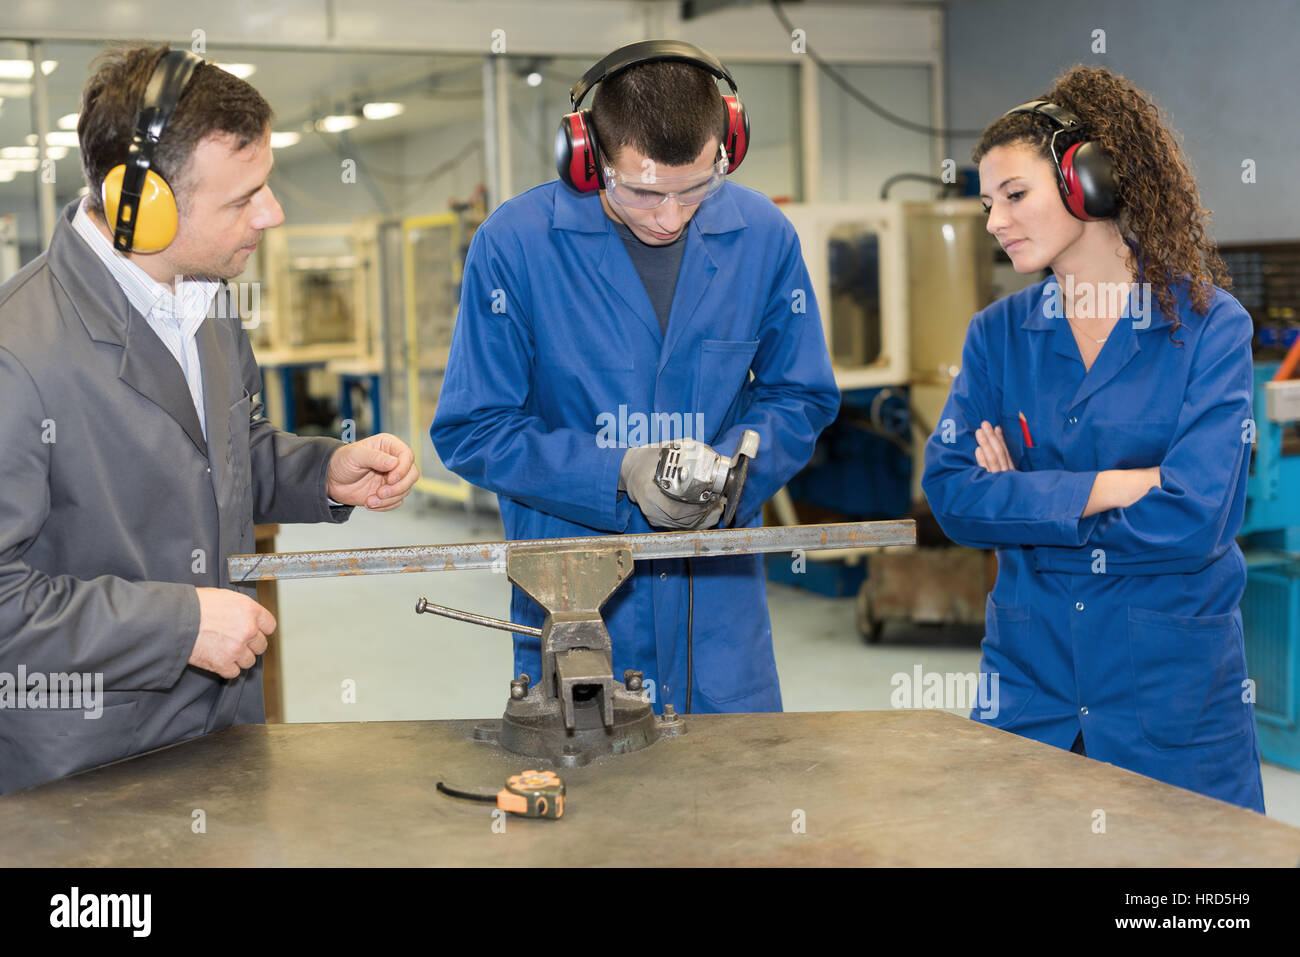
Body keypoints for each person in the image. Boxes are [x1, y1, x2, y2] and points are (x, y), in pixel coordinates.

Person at [0, 45, 419, 794]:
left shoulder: (204, 301)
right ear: (142, 204)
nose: (273, 212)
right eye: (243, 197)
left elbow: (221, 460)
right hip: (89, 774)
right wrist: (178, 625)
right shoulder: (19, 354)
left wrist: (319, 472)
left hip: (222, 734)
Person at [431, 41, 839, 714]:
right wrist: (619, 472)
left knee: (735, 799)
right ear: (589, 156)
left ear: (725, 146)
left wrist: (733, 473)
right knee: (593, 801)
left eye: (697, 188)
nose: (671, 216)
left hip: (719, 608)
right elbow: (474, 428)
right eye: (644, 191)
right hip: (580, 598)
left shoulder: (763, 237)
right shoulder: (515, 246)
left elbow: (800, 394)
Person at [922, 65, 1263, 811]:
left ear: (1090, 182)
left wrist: (1022, 503)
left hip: (1170, 700)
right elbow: (950, 494)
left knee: (1187, 915)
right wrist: (1113, 486)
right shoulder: (997, 337)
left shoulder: (1211, 328)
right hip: (1030, 693)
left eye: (1014, 196)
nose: (994, 221)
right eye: (985, 203)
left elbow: (1195, 516)